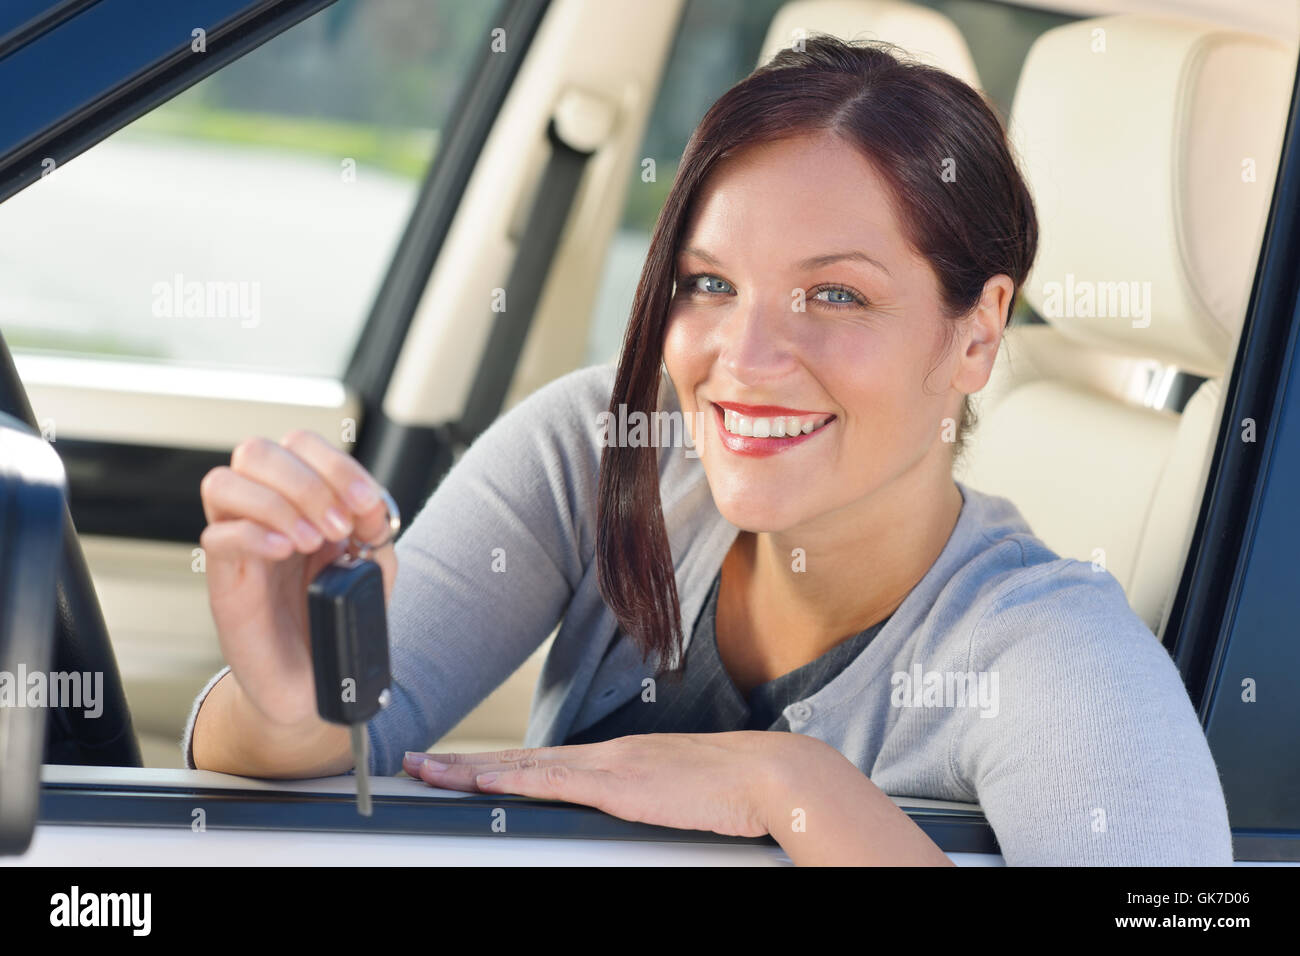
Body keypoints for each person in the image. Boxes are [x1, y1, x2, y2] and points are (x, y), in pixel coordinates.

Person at [185, 34, 1233, 865]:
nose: (748, 356)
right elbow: (338, 745)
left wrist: (791, 787)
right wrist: (289, 703)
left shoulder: (1053, 658)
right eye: (710, 284)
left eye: (835, 294)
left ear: (976, 331)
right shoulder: (602, 449)